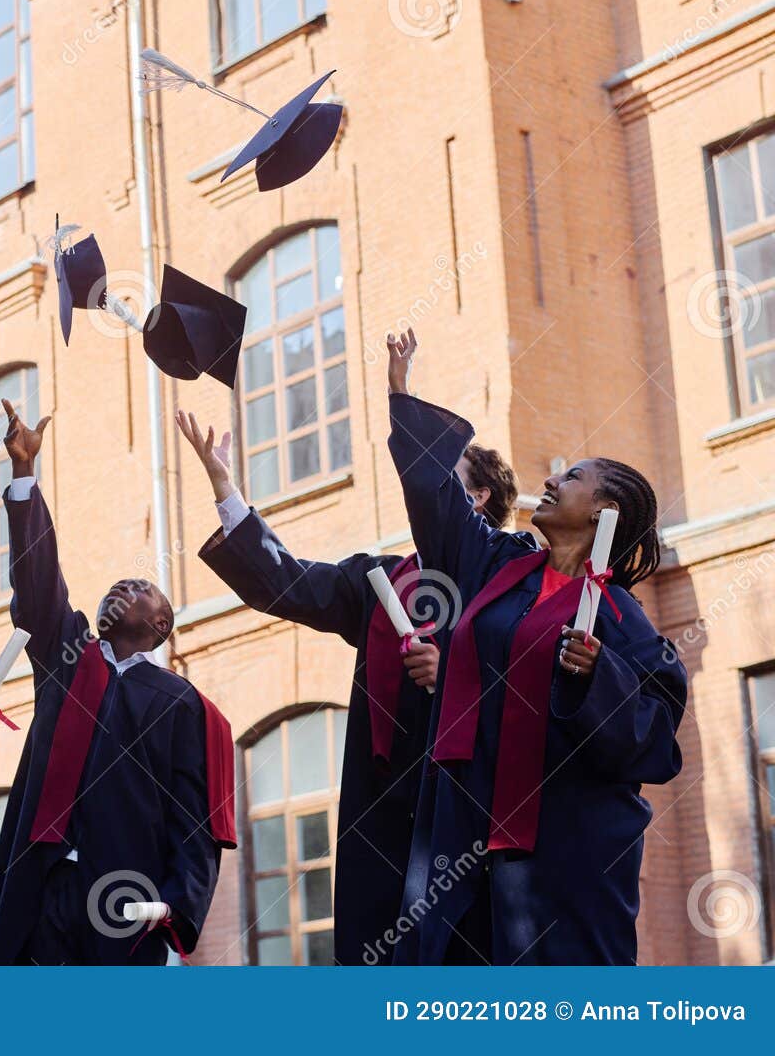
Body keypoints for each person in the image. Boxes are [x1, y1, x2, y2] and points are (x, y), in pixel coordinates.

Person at [177, 401, 519, 966]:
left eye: (441, 473)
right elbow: (287, 582)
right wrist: (225, 488)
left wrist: (459, 677)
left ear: (477, 497)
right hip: (385, 808)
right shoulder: (381, 579)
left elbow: (535, 682)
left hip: (472, 807)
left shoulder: (514, 578)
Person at [384, 329, 686, 964]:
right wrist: (403, 397)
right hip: (462, 837)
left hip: (562, 862)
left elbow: (655, 742)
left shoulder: (620, 620)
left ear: (604, 512)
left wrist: (598, 674)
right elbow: (440, 506)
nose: (550, 480)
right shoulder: (498, 565)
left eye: (571, 478)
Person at [0, 402, 236, 965]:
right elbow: (39, 581)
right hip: (41, 885)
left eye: (139, 588)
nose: (122, 588)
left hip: (122, 899)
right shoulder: (68, 658)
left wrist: (176, 901)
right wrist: (24, 474)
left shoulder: (182, 704)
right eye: (118, 585)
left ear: (161, 626)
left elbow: (195, 815)